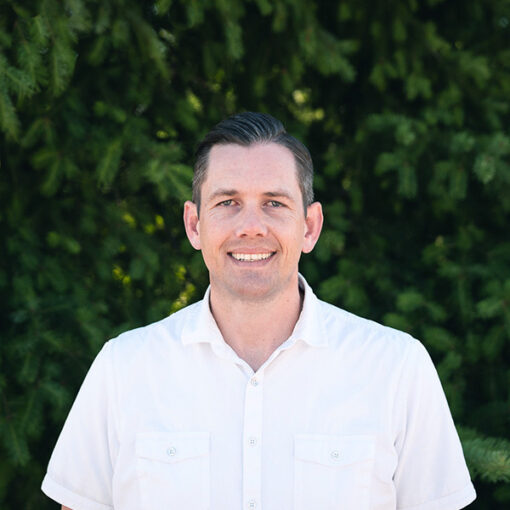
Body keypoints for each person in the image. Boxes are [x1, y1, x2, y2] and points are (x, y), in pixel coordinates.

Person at [42, 112, 476, 510]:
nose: (251, 226)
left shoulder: (396, 367)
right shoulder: (124, 368)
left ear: (310, 227)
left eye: (274, 203)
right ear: (194, 225)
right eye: (227, 203)